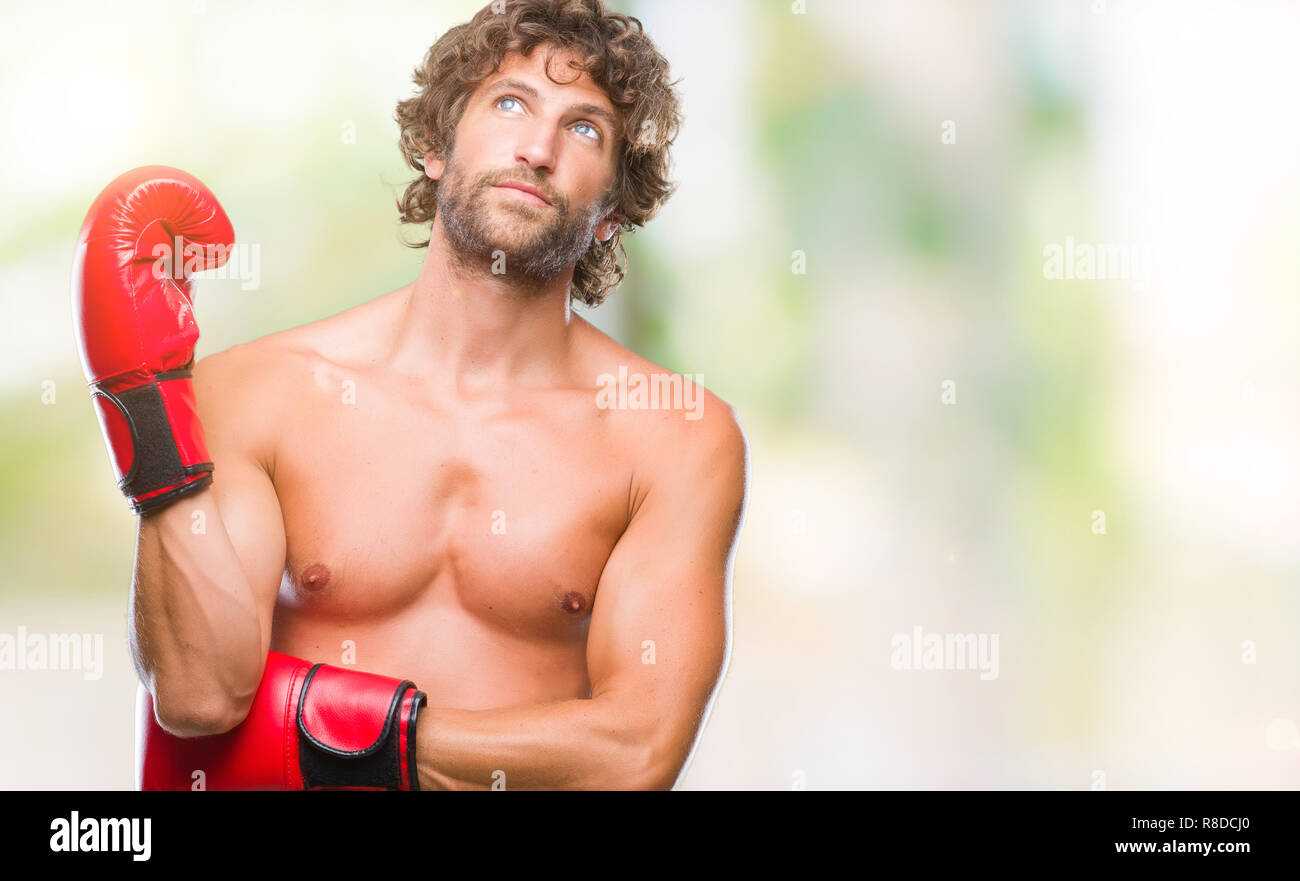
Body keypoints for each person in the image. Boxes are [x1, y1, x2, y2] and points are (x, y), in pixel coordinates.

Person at [73, 0, 747, 791]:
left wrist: (337, 734)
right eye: (509, 104)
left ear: (611, 214)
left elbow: (635, 754)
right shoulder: (258, 394)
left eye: (585, 129)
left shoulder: (675, 437)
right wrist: (147, 415)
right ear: (435, 146)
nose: (538, 148)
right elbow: (197, 694)